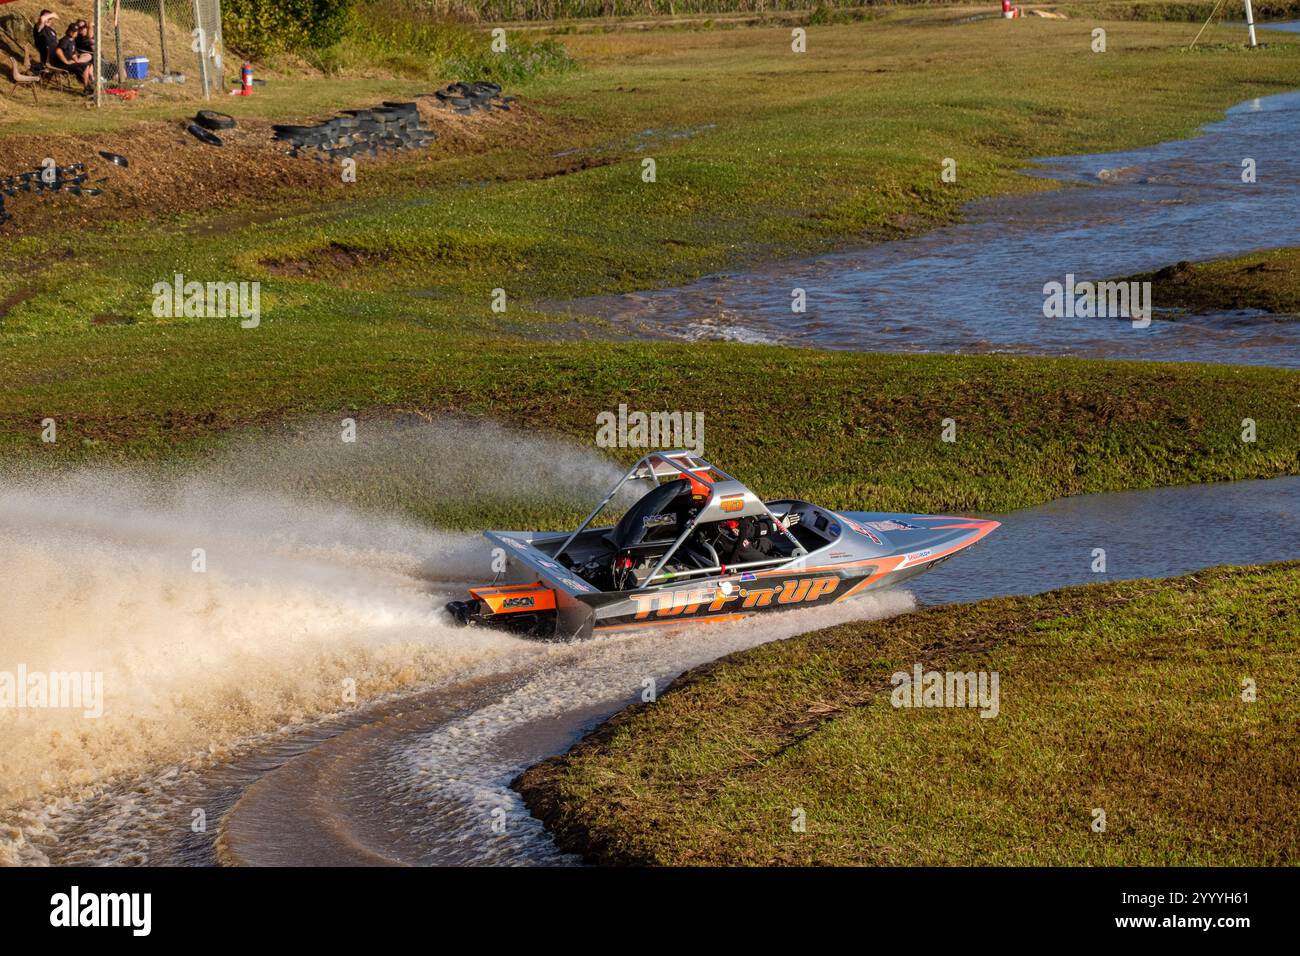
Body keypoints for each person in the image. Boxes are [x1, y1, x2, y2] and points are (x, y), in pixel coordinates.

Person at [51, 22, 92, 90]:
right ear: (69, 31)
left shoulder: (72, 40)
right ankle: (87, 88)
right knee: (85, 66)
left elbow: (73, 54)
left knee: (88, 65)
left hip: (70, 62)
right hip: (62, 64)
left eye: (75, 31)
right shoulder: (65, 40)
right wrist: (66, 61)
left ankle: (90, 85)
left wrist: (77, 61)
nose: (74, 33)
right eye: (72, 31)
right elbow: (58, 51)